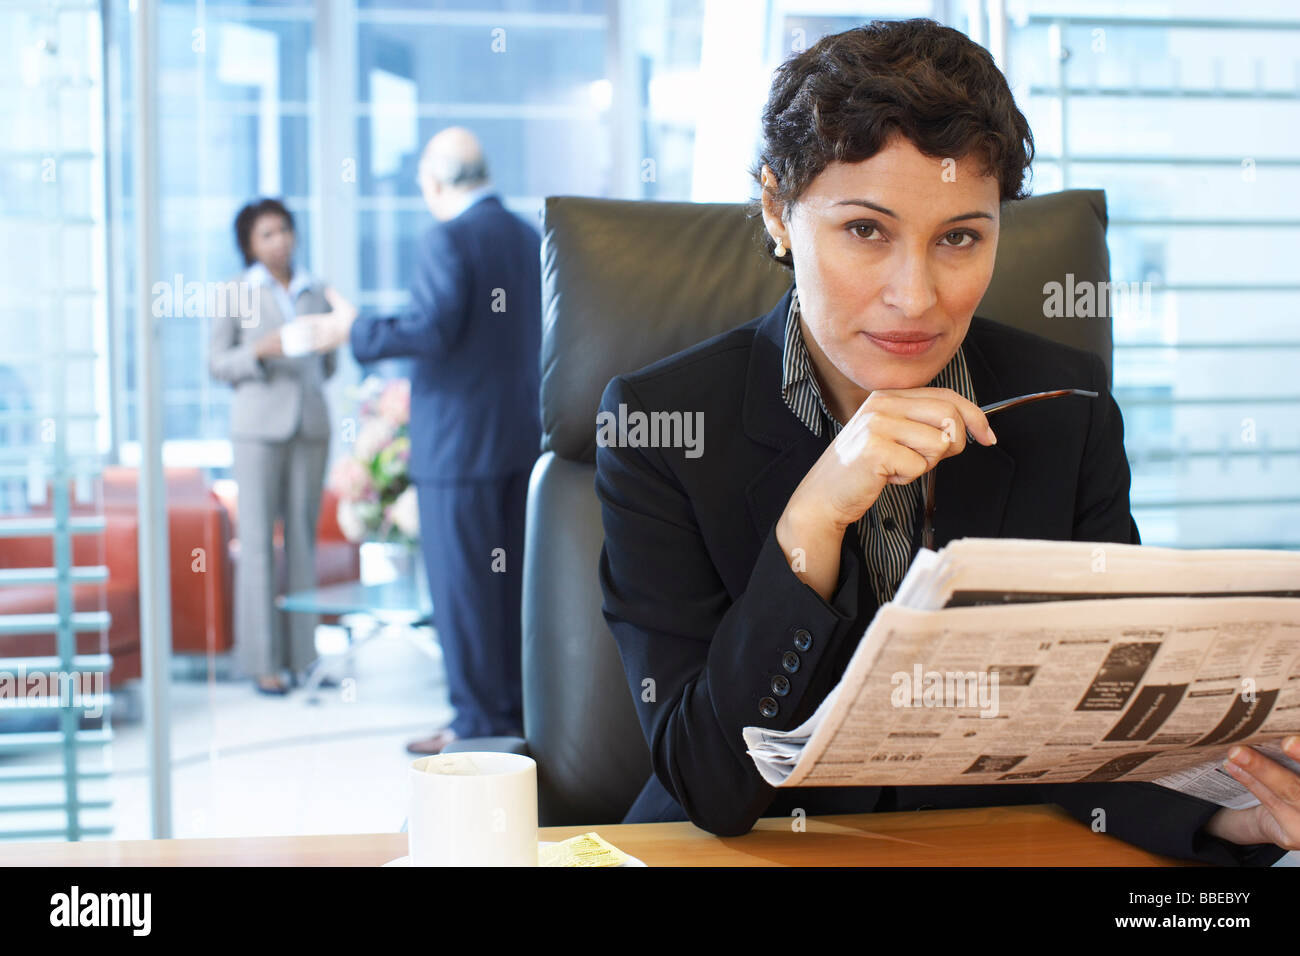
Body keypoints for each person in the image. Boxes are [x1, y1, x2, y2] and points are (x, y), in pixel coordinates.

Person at [594, 19, 1296, 865]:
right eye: (866, 230)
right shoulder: (659, 427)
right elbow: (710, 783)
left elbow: (1089, 729)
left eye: (959, 237)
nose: (915, 297)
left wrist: (1230, 814)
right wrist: (810, 527)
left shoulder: (1066, 409)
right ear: (779, 211)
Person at [317, 127, 541, 753]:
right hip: (519, 441)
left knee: (464, 593)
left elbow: (433, 329)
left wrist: (355, 330)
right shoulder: (526, 237)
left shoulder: (449, 237)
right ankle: (513, 717)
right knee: (508, 591)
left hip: (459, 449)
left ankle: (477, 724)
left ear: (437, 181)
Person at [210, 198, 343, 695]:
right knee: (260, 543)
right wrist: (259, 352)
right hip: (258, 429)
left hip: (310, 425)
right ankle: (263, 661)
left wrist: (326, 347)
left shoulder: (316, 290)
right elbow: (217, 363)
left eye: (284, 230)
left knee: (303, 541)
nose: (279, 240)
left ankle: (305, 657)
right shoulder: (235, 293)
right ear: (249, 243)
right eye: (266, 234)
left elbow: (329, 363)